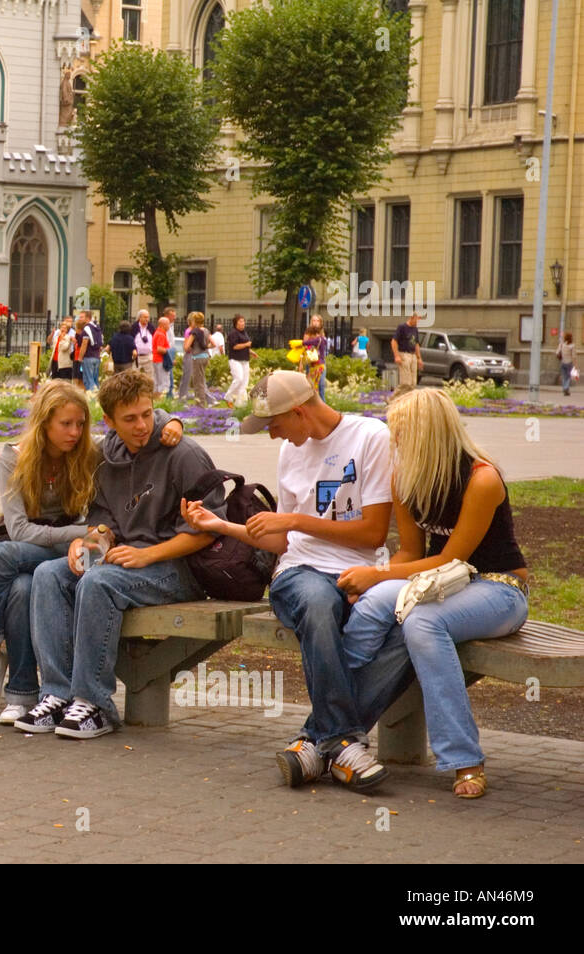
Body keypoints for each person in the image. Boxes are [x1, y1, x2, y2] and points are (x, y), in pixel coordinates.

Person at [184, 370, 404, 791]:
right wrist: (221, 526)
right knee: (319, 606)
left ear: (300, 412)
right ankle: (341, 741)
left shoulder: (371, 438)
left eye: (274, 425)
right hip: (298, 572)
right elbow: (285, 540)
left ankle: (313, 742)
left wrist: (297, 520)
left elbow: (373, 534)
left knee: (410, 629)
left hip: (362, 570)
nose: (272, 437)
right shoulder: (292, 449)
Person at [333, 388, 528, 799]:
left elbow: (452, 559)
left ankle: (463, 759)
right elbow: (411, 553)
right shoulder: (405, 477)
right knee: (369, 608)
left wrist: (377, 573)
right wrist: (379, 580)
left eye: (400, 431)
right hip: (436, 584)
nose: (394, 439)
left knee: (422, 622)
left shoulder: (482, 479)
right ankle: (334, 729)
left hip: (498, 588)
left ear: (426, 433)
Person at [16, 371, 224, 739]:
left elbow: (208, 530)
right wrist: (91, 540)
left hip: (177, 567)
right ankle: (57, 695)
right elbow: (103, 521)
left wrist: (149, 555)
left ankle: (94, 703)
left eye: (147, 414)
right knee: (49, 575)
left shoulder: (185, 454)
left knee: (98, 582)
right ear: (109, 422)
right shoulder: (105, 458)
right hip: (125, 561)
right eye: (129, 419)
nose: (142, 425)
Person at [0, 380, 183, 722]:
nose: (74, 432)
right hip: (41, 546)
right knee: (18, 579)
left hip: (75, 553)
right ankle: (11, 679)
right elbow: (19, 530)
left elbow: (132, 417)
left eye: (81, 424)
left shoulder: (91, 451)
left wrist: (172, 421)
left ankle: (17, 683)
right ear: (45, 424)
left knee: (7, 562)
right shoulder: (15, 456)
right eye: (65, 424)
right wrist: (81, 532)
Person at [184, 311, 212, 405]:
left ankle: (200, 404)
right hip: (205, 357)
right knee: (201, 379)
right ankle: (200, 401)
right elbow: (213, 343)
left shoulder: (194, 332)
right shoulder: (206, 331)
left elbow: (186, 347)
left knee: (198, 382)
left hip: (197, 358)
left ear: (194, 321)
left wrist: (191, 347)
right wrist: (206, 346)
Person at [224, 313, 252, 408]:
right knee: (238, 378)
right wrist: (246, 345)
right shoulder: (233, 333)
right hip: (235, 360)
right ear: (236, 323)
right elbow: (235, 346)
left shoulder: (244, 332)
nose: (243, 323)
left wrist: (251, 352)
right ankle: (228, 397)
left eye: (243, 321)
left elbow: (245, 345)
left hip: (245, 359)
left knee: (244, 382)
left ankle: (240, 403)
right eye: (240, 321)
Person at [301, 314, 329, 401]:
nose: (315, 323)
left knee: (321, 386)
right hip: (311, 364)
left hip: (321, 363)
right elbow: (303, 347)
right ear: (311, 322)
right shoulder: (308, 333)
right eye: (313, 320)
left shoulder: (322, 334)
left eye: (317, 321)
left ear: (320, 323)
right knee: (311, 387)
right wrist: (301, 363)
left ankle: (323, 408)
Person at [392, 312, 420, 389]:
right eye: (416, 320)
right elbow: (394, 342)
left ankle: (411, 399)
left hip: (413, 355)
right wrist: (397, 356)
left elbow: (417, 344)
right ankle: (399, 398)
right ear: (411, 318)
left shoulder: (415, 329)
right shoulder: (402, 327)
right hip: (404, 354)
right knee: (406, 382)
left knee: (413, 382)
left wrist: (419, 358)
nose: (417, 322)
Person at [77, 311, 102, 391]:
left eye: (81, 317)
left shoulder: (87, 328)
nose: (79, 319)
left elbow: (84, 343)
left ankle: (92, 400)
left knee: (89, 380)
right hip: (96, 357)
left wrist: (80, 357)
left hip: (88, 357)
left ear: (87, 318)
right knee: (95, 380)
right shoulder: (97, 327)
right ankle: (97, 398)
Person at [48, 316, 76, 381]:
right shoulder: (56, 337)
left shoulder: (68, 337)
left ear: (67, 330)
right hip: (55, 361)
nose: (63, 329)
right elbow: (52, 345)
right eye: (62, 328)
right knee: (55, 379)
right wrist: (53, 334)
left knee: (64, 380)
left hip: (64, 363)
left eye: (64, 328)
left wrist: (62, 339)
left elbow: (64, 347)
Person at [151, 315, 172, 397]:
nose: (169, 326)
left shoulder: (157, 332)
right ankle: (161, 399)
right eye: (168, 324)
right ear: (163, 325)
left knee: (157, 381)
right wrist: (170, 351)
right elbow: (160, 349)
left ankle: (156, 399)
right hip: (161, 360)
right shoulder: (161, 335)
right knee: (164, 382)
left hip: (156, 360)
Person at [131, 309, 154, 374]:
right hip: (137, 357)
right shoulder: (134, 327)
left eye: (148, 317)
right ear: (140, 318)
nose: (147, 319)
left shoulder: (151, 327)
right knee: (134, 376)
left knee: (150, 377)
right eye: (145, 317)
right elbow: (130, 340)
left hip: (149, 357)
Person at [556, 331, 575, 396]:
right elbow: (574, 356)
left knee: (564, 376)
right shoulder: (572, 346)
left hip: (563, 362)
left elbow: (557, 352)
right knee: (569, 376)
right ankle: (566, 387)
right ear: (571, 338)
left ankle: (564, 388)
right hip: (569, 362)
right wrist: (575, 364)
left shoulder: (562, 345)